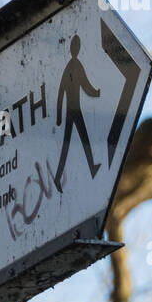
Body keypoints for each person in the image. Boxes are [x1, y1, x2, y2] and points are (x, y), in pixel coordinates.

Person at [54, 34, 101, 192]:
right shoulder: (73, 65)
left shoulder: (73, 65)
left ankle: (91, 166)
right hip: (72, 110)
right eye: (76, 45)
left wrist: (95, 93)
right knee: (68, 144)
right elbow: (64, 91)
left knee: (82, 139)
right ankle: (58, 177)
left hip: (75, 109)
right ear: (74, 48)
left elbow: (83, 86)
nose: (76, 48)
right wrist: (59, 116)